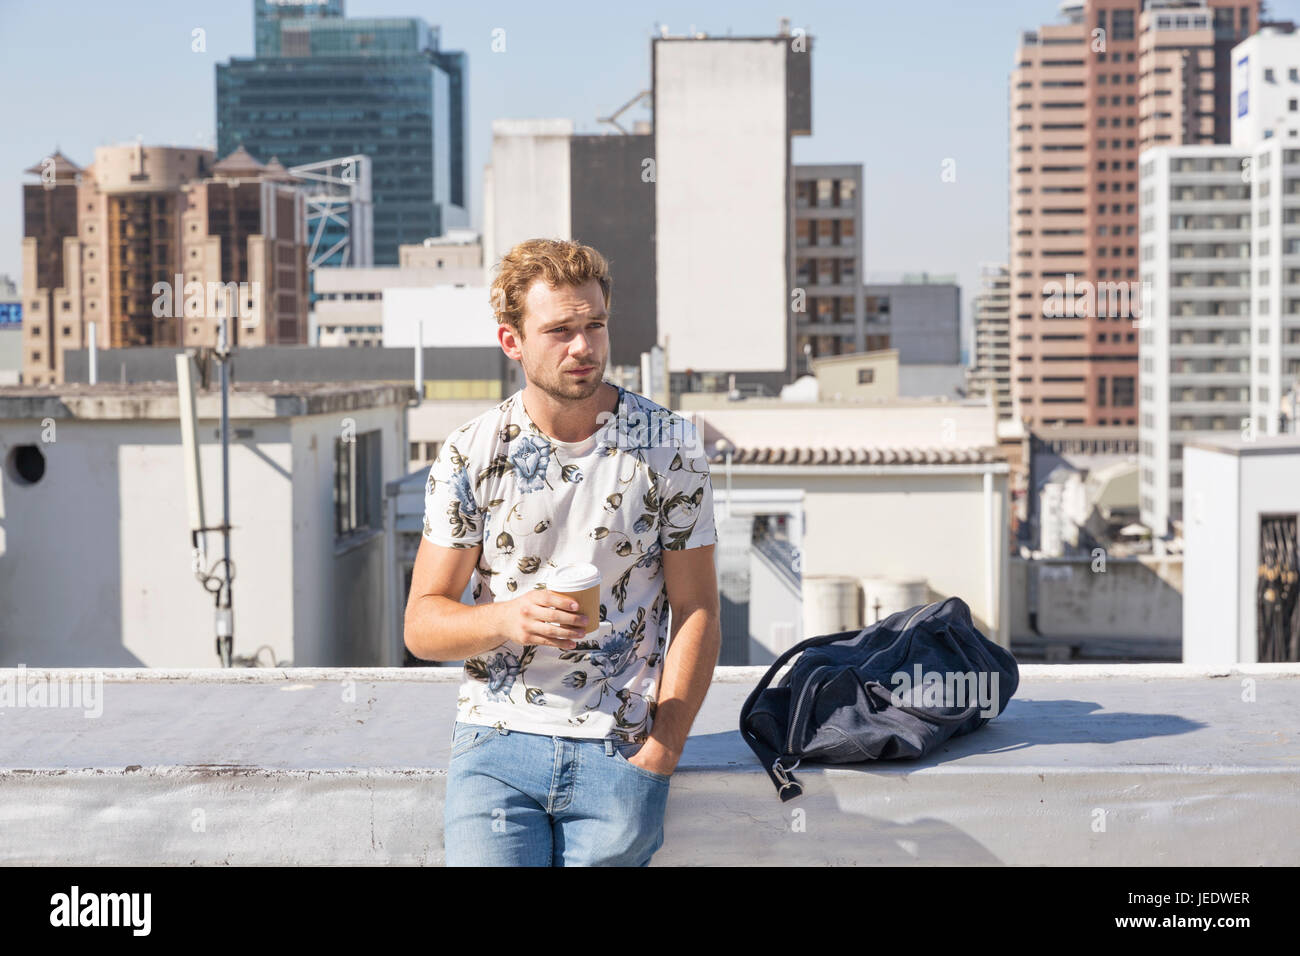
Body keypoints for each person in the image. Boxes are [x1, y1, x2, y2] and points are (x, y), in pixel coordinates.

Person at [404, 237, 721, 866]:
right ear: (512, 341)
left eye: (594, 325)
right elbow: (422, 624)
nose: (583, 347)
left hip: (620, 748)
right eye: (559, 331)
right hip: (495, 748)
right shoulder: (471, 453)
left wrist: (663, 750)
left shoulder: (669, 447)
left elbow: (698, 608)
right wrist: (507, 619)